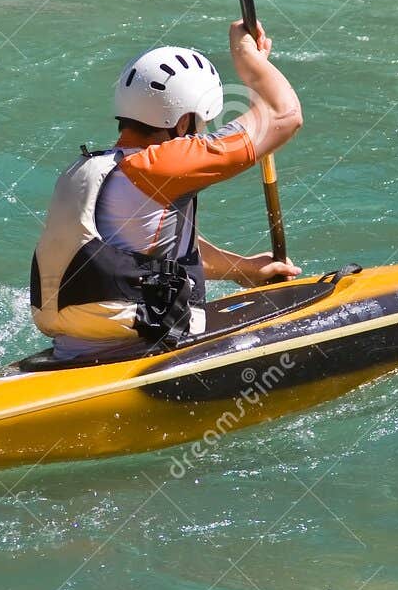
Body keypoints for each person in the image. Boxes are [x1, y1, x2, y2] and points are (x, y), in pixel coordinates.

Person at [30, 20, 304, 361]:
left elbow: (143, 255)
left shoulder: (88, 168)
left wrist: (243, 268)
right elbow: (284, 115)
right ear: (183, 122)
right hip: (148, 342)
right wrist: (248, 55)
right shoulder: (163, 164)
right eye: (201, 122)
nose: (201, 132)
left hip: (73, 346)